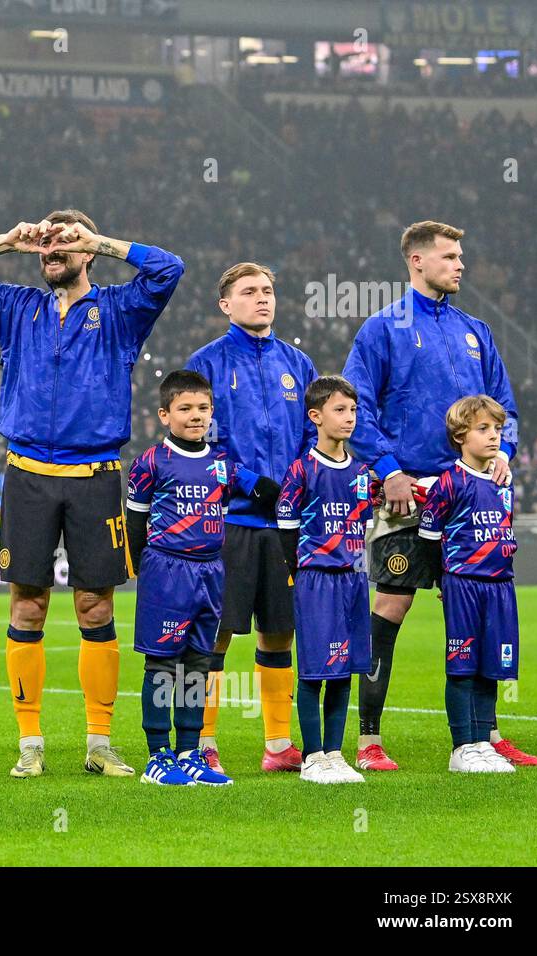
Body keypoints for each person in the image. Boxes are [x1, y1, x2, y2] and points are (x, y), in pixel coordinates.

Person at [0, 211, 184, 778]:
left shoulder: (121, 311)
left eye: (65, 243)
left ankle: (98, 744)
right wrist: (4, 242)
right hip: (28, 476)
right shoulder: (19, 308)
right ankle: (30, 745)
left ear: (88, 252)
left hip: (95, 478)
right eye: (46, 243)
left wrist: (102, 241)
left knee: (96, 606)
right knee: (28, 604)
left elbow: (170, 269)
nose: (52, 251)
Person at [341, 221, 537, 769]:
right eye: (450, 256)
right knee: (392, 603)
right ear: (417, 262)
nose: (461, 265)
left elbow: (506, 408)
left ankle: (486, 734)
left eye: (460, 256)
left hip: (474, 497)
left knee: (481, 607)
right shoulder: (382, 329)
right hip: (408, 493)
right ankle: (369, 738)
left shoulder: (476, 330)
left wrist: (505, 452)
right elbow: (358, 409)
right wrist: (388, 469)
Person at [185, 262, 316, 775]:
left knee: (279, 632)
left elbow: (312, 432)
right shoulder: (208, 363)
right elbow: (199, 441)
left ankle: (278, 744)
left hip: (285, 526)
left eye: (267, 291)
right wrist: (250, 482)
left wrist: (298, 483)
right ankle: (205, 740)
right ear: (226, 304)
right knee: (216, 631)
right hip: (229, 522)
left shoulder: (297, 363)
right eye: (249, 292)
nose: (262, 299)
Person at [125, 371, 235, 787]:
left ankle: (190, 751)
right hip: (167, 570)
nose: (195, 416)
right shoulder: (152, 462)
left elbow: (245, 493)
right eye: (185, 409)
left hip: (210, 571)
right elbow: (135, 524)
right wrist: (145, 568)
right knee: (162, 664)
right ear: (164, 415)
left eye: (203, 408)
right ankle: (157, 756)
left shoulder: (221, 463)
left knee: (197, 665)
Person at [417, 396, 520, 774]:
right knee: (462, 664)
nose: (494, 436)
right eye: (483, 429)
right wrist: (441, 579)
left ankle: (482, 742)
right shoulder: (448, 483)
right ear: (461, 436)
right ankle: (462, 747)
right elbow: (429, 537)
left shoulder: (503, 480)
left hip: (500, 585)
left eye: (496, 428)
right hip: (463, 584)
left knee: (490, 666)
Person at [275, 375, 370, 785]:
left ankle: (335, 752)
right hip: (316, 579)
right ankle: (313, 756)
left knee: (344, 668)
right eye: (339, 410)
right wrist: (304, 572)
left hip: (353, 580)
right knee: (315, 669)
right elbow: (286, 529)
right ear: (315, 416)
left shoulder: (363, 473)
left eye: (352, 410)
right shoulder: (302, 470)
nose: (348, 418)